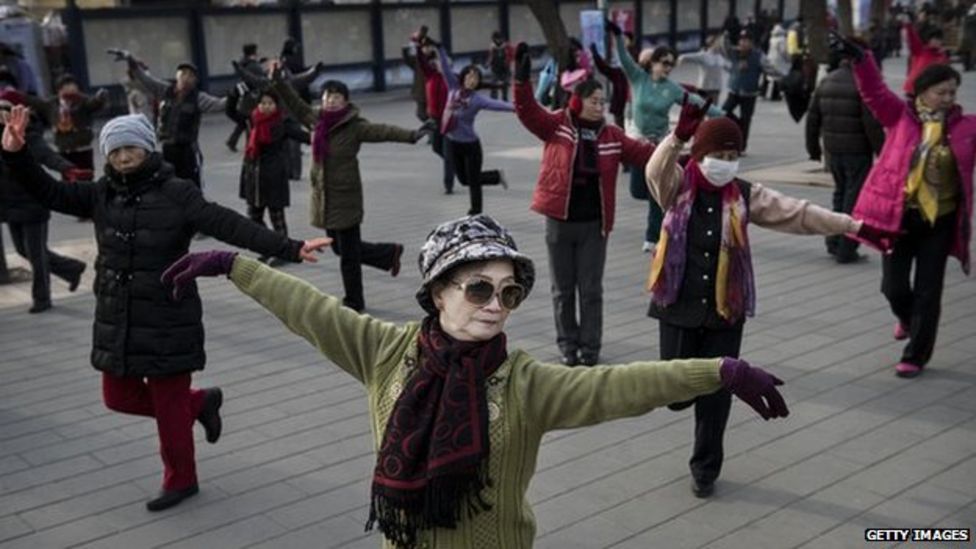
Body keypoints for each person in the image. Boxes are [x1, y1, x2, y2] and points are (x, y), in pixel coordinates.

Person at [161, 213, 789, 548]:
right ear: (437, 291)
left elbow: (618, 385)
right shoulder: (384, 350)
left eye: (509, 292)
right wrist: (235, 265)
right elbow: (310, 309)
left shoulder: (528, 382)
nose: (496, 305)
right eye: (480, 287)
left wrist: (719, 370)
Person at [0, 106, 332, 511]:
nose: (123, 158)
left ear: (146, 149)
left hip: (168, 315)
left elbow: (227, 223)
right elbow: (51, 193)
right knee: (117, 397)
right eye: (115, 150)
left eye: (131, 149)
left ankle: (181, 480)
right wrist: (17, 154)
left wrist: (290, 246)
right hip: (118, 316)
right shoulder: (103, 193)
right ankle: (200, 403)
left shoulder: (177, 193)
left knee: (168, 408)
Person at [644, 97, 892, 499]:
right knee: (676, 392)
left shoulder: (743, 194)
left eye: (732, 155)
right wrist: (677, 137)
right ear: (701, 154)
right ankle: (681, 399)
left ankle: (705, 468)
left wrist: (855, 226)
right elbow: (654, 169)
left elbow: (799, 212)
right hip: (678, 304)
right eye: (718, 155)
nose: (725, 162)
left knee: (717, 393)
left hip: (727, 310)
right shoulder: (677, 186)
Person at [833, 35, 976, 379]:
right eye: (940, 91)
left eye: (952, 93)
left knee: (930, 290)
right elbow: (874, 93)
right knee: (893, 287)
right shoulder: (900, 117)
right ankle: (906, 317)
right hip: (899, 219)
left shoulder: (966, 127)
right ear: (922, 91)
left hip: (939, 221)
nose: (947, 99)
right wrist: (862, 60)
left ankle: (917, 354)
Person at [512, 43, 655, 367]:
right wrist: (520, 81)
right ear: (578, 101)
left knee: (590, 290)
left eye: (603, 102)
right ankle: (567, 346)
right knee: (562, 291)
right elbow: (527, 112)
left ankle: (590, 349)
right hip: (559, 223)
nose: (600, 107)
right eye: (594, 101)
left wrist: (678, 146)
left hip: (594, 226)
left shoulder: (612, 135)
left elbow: (646, 155)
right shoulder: (557, 125)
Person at [269, 72, 430, 312]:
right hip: (324, 197)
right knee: (339, 248)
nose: (331, 100)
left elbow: (382, 130)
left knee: (348, 257)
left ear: (345, 101)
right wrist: (278, 81)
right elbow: (294, 103)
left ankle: (355, 301)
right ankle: (388, 253)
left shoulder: (354, 126)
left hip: (346, 197)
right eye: (327, 96)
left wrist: (412, 135)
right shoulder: (315, 120)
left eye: (336, 96)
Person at [610, 20, 724, 254]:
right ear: (652, 63)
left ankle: (653, 237)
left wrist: (721, 115)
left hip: (660, 144)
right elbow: (623, 58)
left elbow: (696, 102)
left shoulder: (672, 88)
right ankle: (663, 221)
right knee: (638, 191)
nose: (668, 68)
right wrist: (618, 36)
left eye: (671, 65)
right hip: (638, 143)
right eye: (664, 63)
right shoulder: (638, 78)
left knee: (655, 192)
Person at [0, 94, 86, 313]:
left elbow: (48, 156)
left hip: (33, 202)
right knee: (23, 250)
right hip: (11, 207)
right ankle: (71, 268)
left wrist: (68, 168)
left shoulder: (27, 136)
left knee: (36, 255)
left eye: (4, 112)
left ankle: (42, 298)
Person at [805, 43, 885, 264]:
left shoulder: (827, 81)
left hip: (833, 151)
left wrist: (813, 149)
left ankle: (833, 242)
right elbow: (872, 125)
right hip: (857, 152)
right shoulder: (862, 84)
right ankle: (847, 249)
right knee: (854, 200)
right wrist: (884, 152)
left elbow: (812, 120)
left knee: (840, 195)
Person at [116, 49, 227, 189]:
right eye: (183, 73)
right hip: (168, 148)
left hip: (187, 151)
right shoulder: (165, 90)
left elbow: (220, 104)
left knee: (191, 187)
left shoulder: (198, 98)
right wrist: (130, 60)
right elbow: (145, 79)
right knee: (167, 185)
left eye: (190, 75)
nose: (186, 77)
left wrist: (238, 95)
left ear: (195, 80)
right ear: (177, 76)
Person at [238, 89, 310, 265]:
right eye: (263, 103)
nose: (266, 106)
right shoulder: (251, 120)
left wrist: (321, 137)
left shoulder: (282, 122)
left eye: (270, 103)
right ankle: (268, 246)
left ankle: (283, 252)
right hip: (253, 176)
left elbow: (303, 136)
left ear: (277, 105)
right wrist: (235, 94)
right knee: (253, 217)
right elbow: (231, 111)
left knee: (277, 217)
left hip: (274, 176)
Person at [437, 46, 512, 215]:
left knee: (474, 181)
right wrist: (440, 48)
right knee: (464, 180)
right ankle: (496, 176)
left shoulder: (477, 100)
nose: (472, 80)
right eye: (469, 76)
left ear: (478, 82)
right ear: (463, 77)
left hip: (471, 146)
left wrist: (519, 108)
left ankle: (475, 212)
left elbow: (499, 105)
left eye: (476, 78)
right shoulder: (453, 88)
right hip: (452, 142)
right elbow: (445, 68)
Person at [23, 73, 107, 171]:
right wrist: (16, 95)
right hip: (63, 147)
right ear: (59, 89)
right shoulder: (52, 103)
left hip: (82, 145)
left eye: (73, 86)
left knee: (86, 174)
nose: (71, 89)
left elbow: (93, 104)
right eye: (67, 86)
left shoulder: (82, 100)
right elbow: (36, 102)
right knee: (68, 176)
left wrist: (99, 98)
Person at [723, 30, 784, 153]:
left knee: (746, 120)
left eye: (746, 41)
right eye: (741, 40)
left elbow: (769, 69)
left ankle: (741, 146)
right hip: (734, 91)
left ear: (751, 43)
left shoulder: (758, 55)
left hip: (749, 93)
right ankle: (737, 124)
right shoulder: (734, 52)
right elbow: (724, 47)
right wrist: (725, 37)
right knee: (723, 112)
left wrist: (783, 77)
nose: (743, 43)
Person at [416, 35, 457, 194]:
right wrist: (419, 46)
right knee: (435, 147)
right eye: (437, 62)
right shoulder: (430, 75)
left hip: (448, 120)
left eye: (443, 62)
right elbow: (421, 61)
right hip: (434, 118)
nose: (439, 64)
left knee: (447, 152)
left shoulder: (452, 79)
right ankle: (453, 163)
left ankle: (449, 184)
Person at [677, 34, 731, 104]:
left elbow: (727, 67)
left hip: (716, 88)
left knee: (713, 109)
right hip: (705, 87)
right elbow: (685, 57)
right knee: (703, 108)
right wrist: (680, 60)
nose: (720, 45)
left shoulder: (720, 56)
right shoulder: (703, 55)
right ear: (712, 44)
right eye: (718, 43)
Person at [226, 43, 260, 152]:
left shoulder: (243, 63)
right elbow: (259, 79)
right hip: (252, 97)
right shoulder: (254, 66)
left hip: (243, 95)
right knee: (250, 122)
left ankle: (232, 141)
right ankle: (250, 144)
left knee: (243, 121)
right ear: (254, 52)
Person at [902, 17, 950, 95]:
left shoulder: (942, 56)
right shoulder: (920, 50)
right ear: (929, 40)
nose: (936, 42)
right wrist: (908, 25)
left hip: (930, 91)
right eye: (934, 39)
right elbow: (912, 39)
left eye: (939, 40)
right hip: (914, 88)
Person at [589, 42, 630, 128]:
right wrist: (595, 54)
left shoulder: (637, 73)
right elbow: (603, 68)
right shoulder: (618, 73)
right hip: (621, 108)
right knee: (620, 130)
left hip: (634, 109)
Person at [487, 31, 513, 102]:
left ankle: (504, 98)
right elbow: (491, 56)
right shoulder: (492, 47)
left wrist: (507, 62)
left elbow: (511, 55)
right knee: (493, 83)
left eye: (499, 39)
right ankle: (493, 99)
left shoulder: (507, 46)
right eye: (496, 39)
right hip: (495, 68)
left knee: (505, 83)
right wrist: (488, 63)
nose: (498, 41)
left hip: (505, 68)